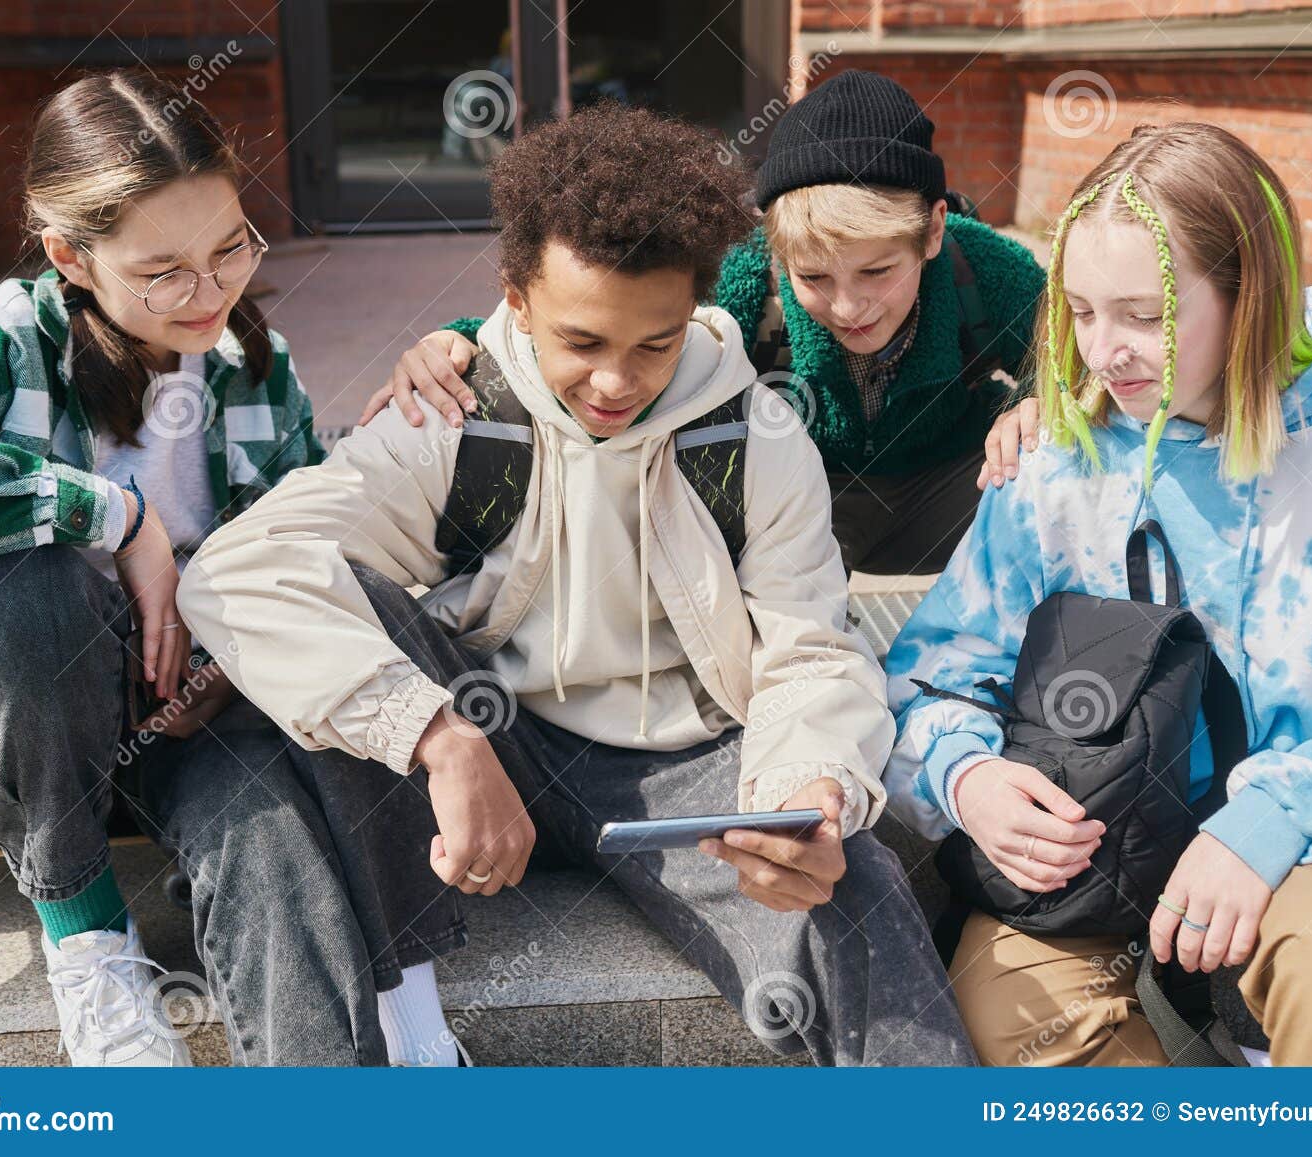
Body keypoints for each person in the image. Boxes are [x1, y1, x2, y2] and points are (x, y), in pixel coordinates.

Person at [177, 100, 976, 1067]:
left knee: (857, 890)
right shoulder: (459, 413)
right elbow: (233, 572)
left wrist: (810, 789)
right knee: (342, 597)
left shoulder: (760, 434)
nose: (615, 381)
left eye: (655, 343)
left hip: (688, 768)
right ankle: (406, 1032)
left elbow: (810, 648)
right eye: (583, 342)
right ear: (514, 300)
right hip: (491, 740)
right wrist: (437, 734)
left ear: (694, 309)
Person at [0, 72, 454, 1068]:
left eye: (229, 247)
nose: (209, 294)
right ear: (72, 256)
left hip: (181, 723)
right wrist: (112, 513)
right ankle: (90, 947)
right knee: (24, 584)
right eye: (162, 269)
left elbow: (293, 557)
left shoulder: (256, 366)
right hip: (6, 731)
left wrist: (222, 658)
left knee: (271, 834)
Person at [883, 121, 1312, 1066]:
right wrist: (966, 778)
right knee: (1006, 996)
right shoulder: (1051, 466)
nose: (1104, 351)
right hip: (1098, 846)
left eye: (1145, 314)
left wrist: (1271, 820)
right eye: (1083, 311)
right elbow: (927, 676)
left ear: (1246, 294)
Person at [361, 71, 1045, 575]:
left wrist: (1045, 400)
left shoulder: (984, 268)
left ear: (931, 232)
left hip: (945, 496)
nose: (847, 306)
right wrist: (456, 340)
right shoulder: (742, 276)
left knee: (1062, 466)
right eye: (813, 278)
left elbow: (1081, 353)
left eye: (876, 273)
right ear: (776, 251)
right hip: (801, 509)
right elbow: (604, 318)